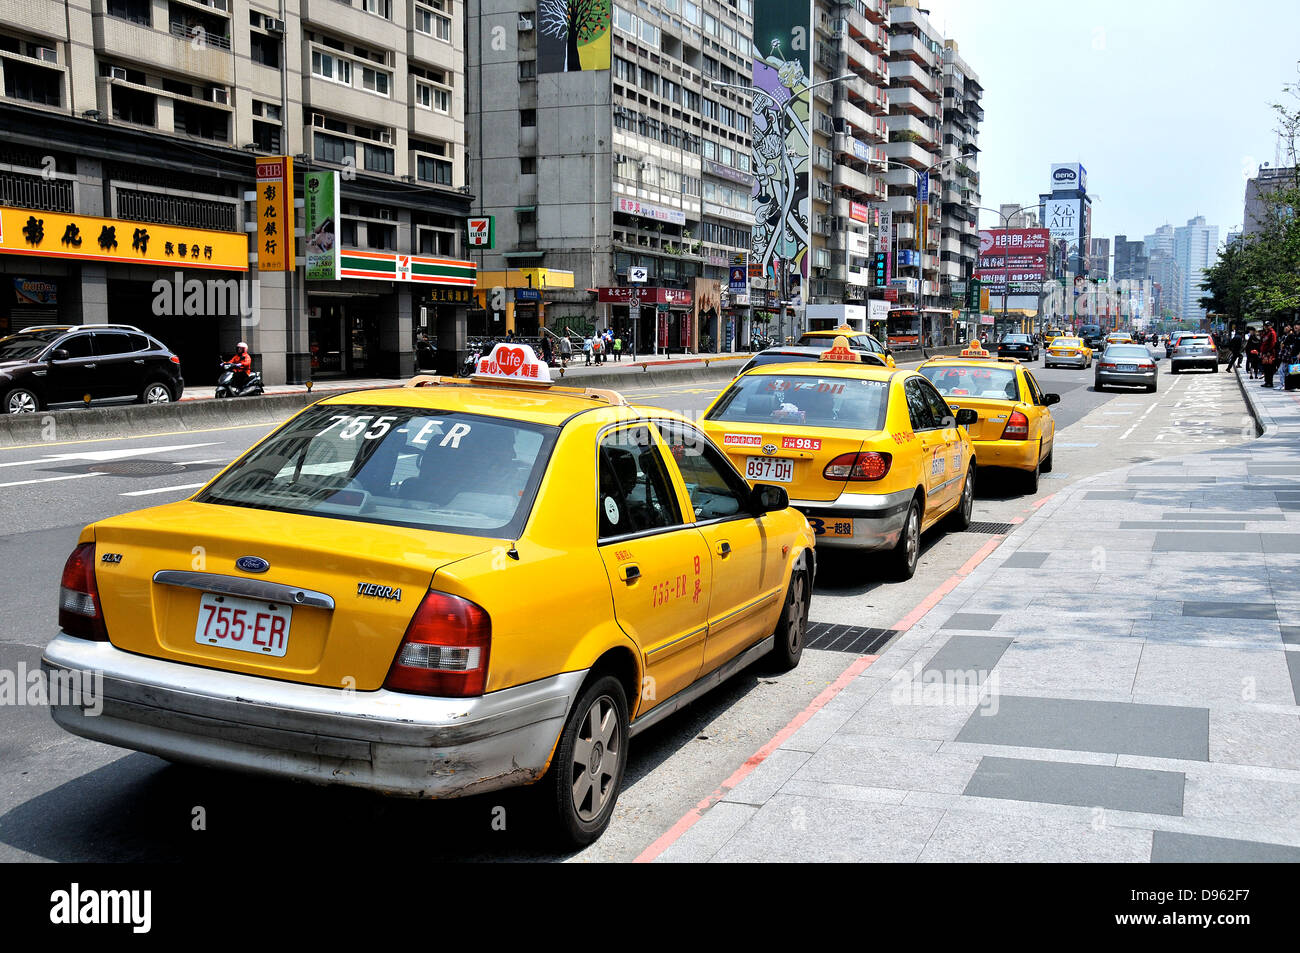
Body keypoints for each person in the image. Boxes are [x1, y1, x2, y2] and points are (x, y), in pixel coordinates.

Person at [1260, 321, 1279, 389]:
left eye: (1267, 325)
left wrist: (1269, 351)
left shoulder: (1272, 333)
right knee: (1265, 368)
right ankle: (1266, 381)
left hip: (1270, 353)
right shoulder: (1265, 333)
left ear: (1270, 326)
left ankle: (1270, 382)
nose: (1266, 327)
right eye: (1265, 326)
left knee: (1269, 368)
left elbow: (1273, 343)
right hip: (1264, 352)